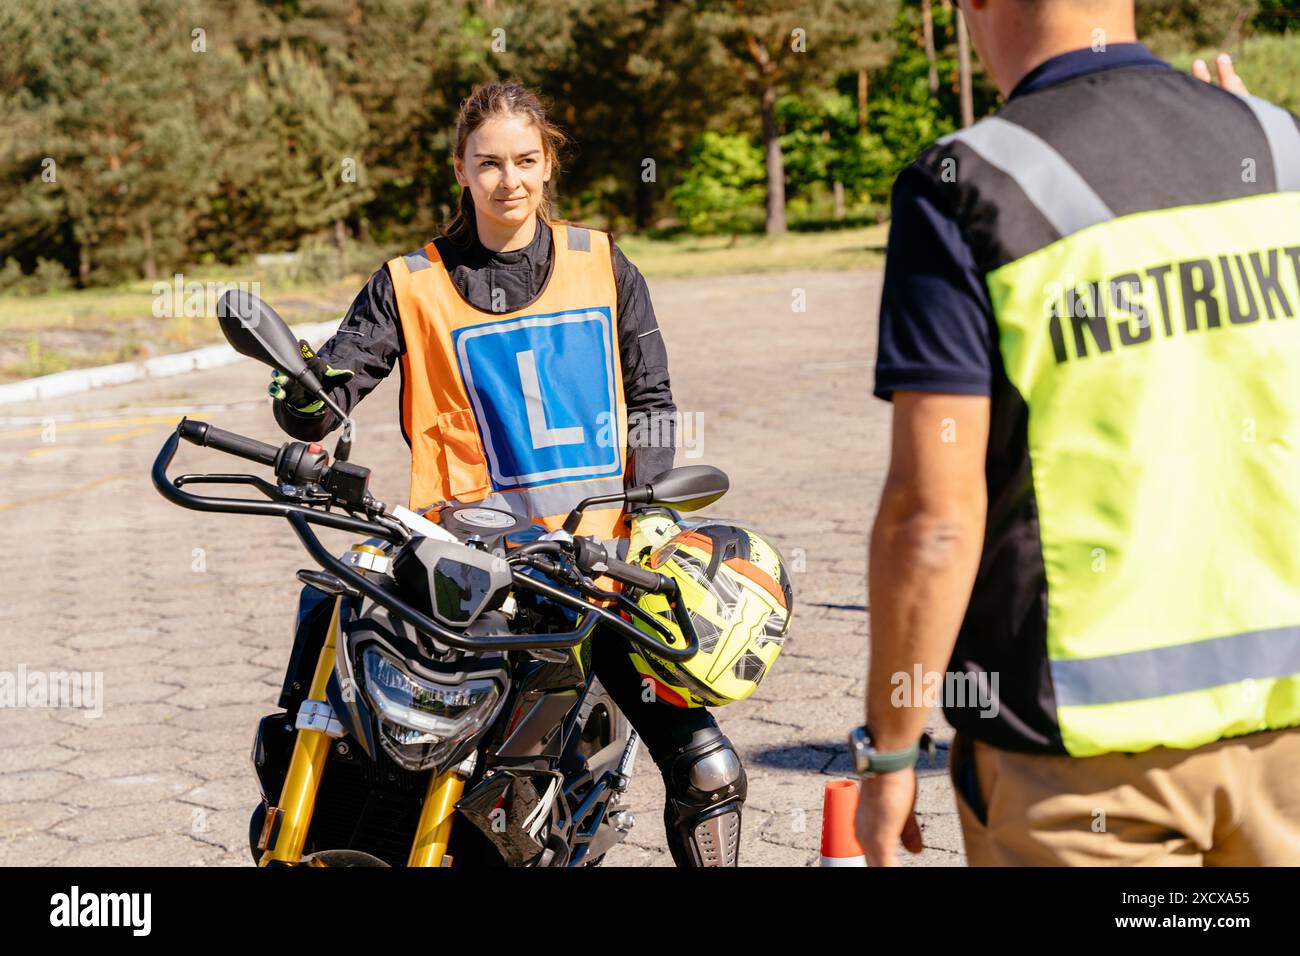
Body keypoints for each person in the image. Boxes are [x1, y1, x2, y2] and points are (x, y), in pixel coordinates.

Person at [851, 0, 1300, 866]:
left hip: (1079, 764)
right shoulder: (1280, 147)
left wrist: (890, 752)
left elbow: (933, 520)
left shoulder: (966, 184)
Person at [269, 82, 746, 867]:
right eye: (488, 163)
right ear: (460, 169)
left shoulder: (603, 263)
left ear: (549, 162)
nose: (508, 180)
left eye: (525, 160)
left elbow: (652, 401)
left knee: (708, 770)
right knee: (358, 726)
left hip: (591, 575)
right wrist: (298, 390)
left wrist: (652, 512)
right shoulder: (408, 283)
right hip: (460, 579)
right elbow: (321, 407)